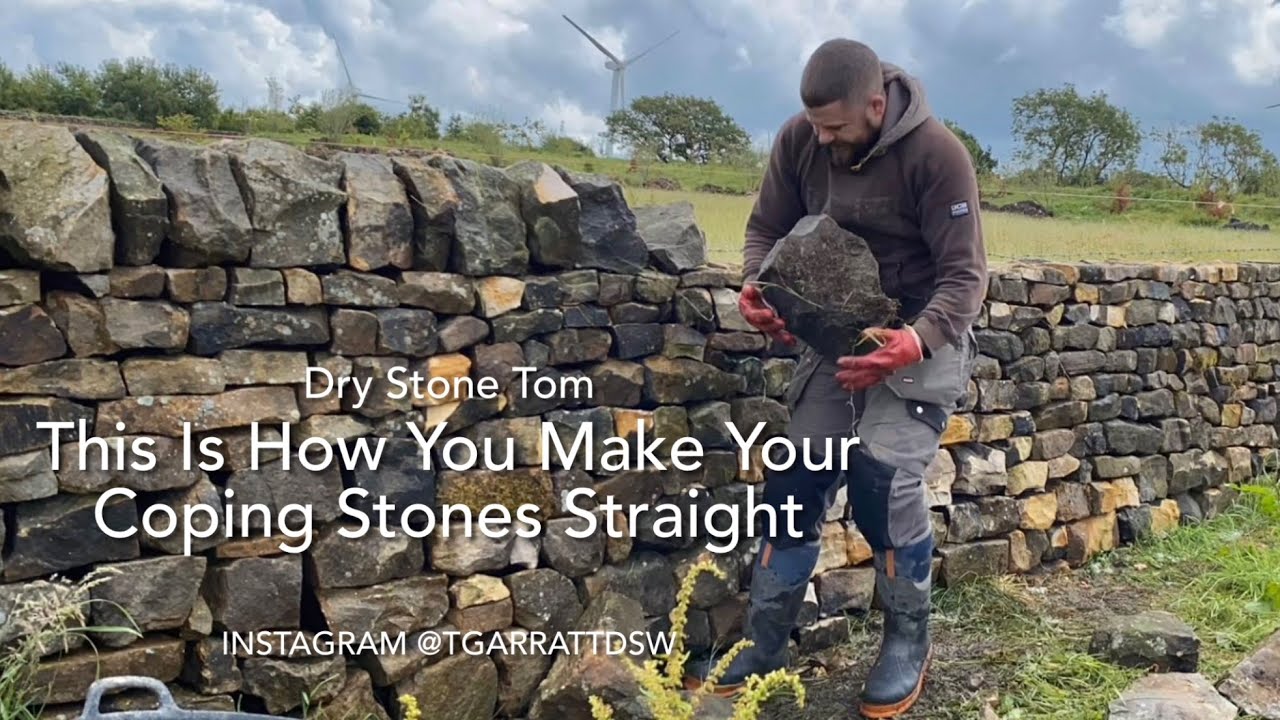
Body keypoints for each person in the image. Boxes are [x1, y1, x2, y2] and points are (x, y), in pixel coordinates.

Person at [683, 39, 987, 718]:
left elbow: (966, 277)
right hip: (833, 341)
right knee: (794, 478)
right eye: (814, 125)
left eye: (836, 128)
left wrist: (913, 340)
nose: (821, 139)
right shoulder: (801, 139)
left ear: (876, 104)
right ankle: (763, 644)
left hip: (917, 340)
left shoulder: (938, 155)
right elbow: (765, 228)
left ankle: (908, 640)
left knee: (882, 478)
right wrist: (756, 286)